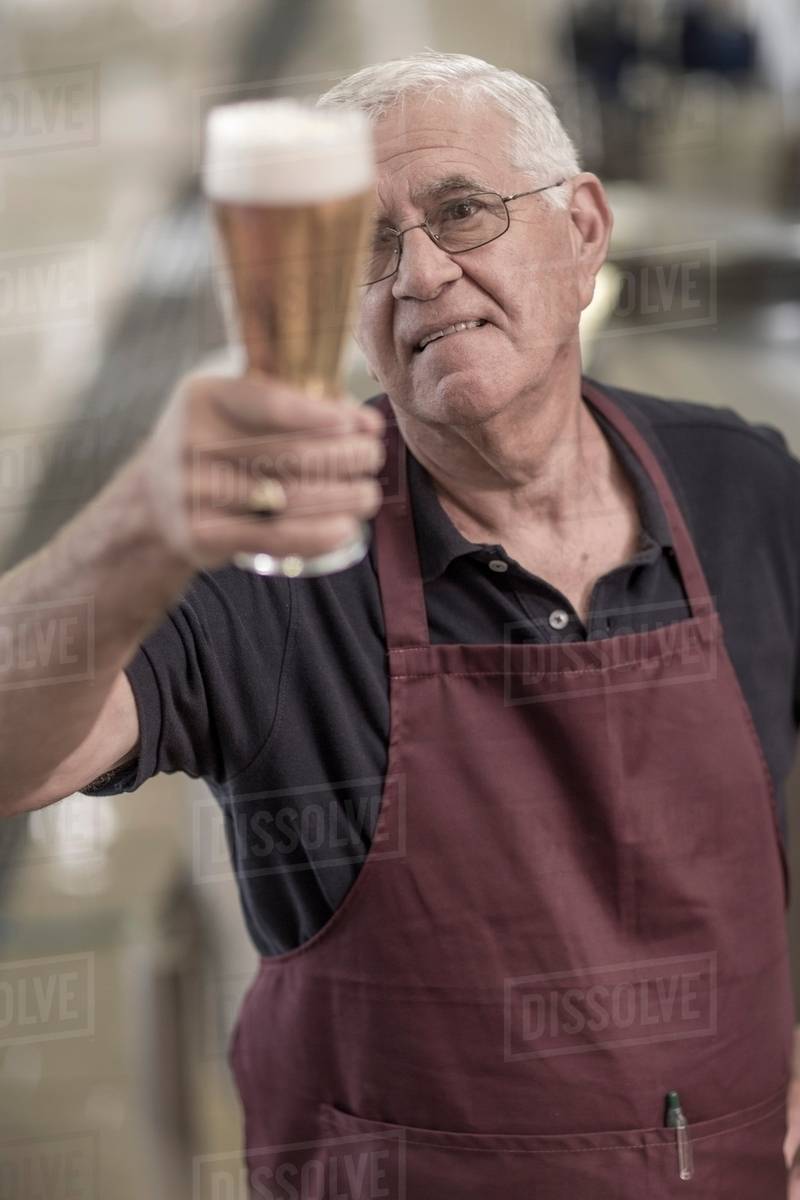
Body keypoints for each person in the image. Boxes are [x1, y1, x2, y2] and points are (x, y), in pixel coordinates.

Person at [2, 50, 800, 1198]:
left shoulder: (737, 486)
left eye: (460, 212)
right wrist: (140, 525)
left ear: (581, 230)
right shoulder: (277, 552)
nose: (418, 275)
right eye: (369, 248)